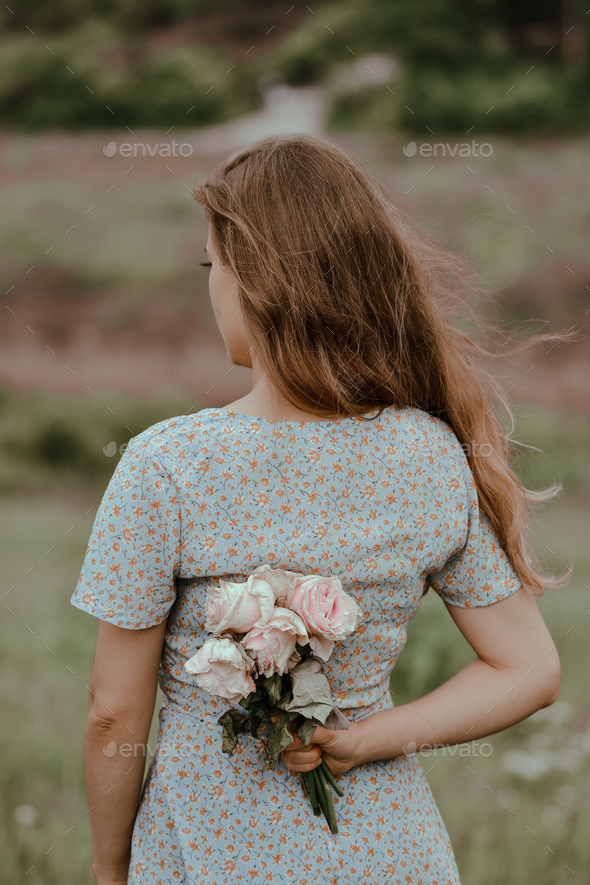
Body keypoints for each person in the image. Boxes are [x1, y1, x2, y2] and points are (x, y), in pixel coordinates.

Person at [71, 134, 566, 885]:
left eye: (216, 267)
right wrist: (368, 738)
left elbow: (113, 711)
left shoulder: (166, 464)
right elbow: (527, 668)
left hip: (210, 857)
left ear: (257, 282)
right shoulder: (429, 452)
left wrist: (110, 869)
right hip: (387, 855)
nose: (213, 289)